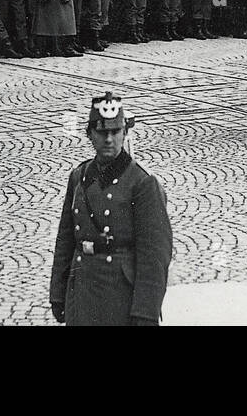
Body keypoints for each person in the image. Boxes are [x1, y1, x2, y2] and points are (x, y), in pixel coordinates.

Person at [50, 93, 173, 326]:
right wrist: (58, 293)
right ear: (89, 135)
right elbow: (65, 240)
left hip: (121, 297)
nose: (109, 139)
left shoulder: (142, 183)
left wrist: (146, 311)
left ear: (125, 133)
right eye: (102, 132)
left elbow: (155, 255)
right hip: (82, 293)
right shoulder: (79, 176)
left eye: (115, 132)